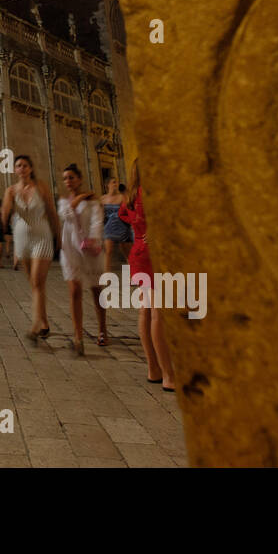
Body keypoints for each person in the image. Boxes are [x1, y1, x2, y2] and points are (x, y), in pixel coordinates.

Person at [119, 159, 175, 391]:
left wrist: (141, 229)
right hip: (152, 255)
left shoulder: (131, 196)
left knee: (145, 312)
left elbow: (123, 215)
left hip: (138, 252)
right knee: (157, 315)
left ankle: (153, 369)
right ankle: (169, 376)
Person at [1, 155, 61, 342]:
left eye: (25, 165)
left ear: (31, 168)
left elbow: (51, 211)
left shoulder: (41, 186)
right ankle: (44, 322)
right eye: (19, 165)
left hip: (42, 237)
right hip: (22, 239)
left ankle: (35, 324)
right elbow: (5, 214)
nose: (22, 168)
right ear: (15, 170)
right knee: (35, 284)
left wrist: (58, 235)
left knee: (36, 280)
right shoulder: (11, 190)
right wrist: (5, 214)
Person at [58, 164, 105, 354]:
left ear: (79, 179)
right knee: (74, 290)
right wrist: (79, 198)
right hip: (70, 250)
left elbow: (97, 221)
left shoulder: (93, 202)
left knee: (96, 290)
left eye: (71, 177)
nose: (68, 181)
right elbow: (65, 215)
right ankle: (78, 337)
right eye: (65, 178)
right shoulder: (64, 202)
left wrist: (94, 238)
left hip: (90, 249)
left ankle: (102, 330)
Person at [101, 174, 133, 276]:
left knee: (127, 253)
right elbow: (101, 215)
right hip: (109, 227)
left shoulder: (122, 197)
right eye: (113, 182)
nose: (116, 184)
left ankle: (133, 275)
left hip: (122, 226)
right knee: (108, 252)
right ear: (108, 185)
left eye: (116, 182)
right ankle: (107, 277)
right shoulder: (103, 199)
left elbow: (129, 210)